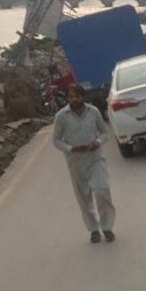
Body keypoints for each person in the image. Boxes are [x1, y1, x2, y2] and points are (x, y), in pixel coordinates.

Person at [53, 84, 116, 244]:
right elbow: (56, 140)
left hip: (96, 159)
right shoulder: (61, 116)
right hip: (75, 163)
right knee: (84, 199)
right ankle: (94, 229)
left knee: (102, 191)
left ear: (83, 96)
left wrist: (97, 142)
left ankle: (107, 227)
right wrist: (71, 148)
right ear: (67, 99)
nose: (75, 99)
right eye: (71, 97)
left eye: (77, 96)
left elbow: (104, 132)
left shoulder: (93, 112)